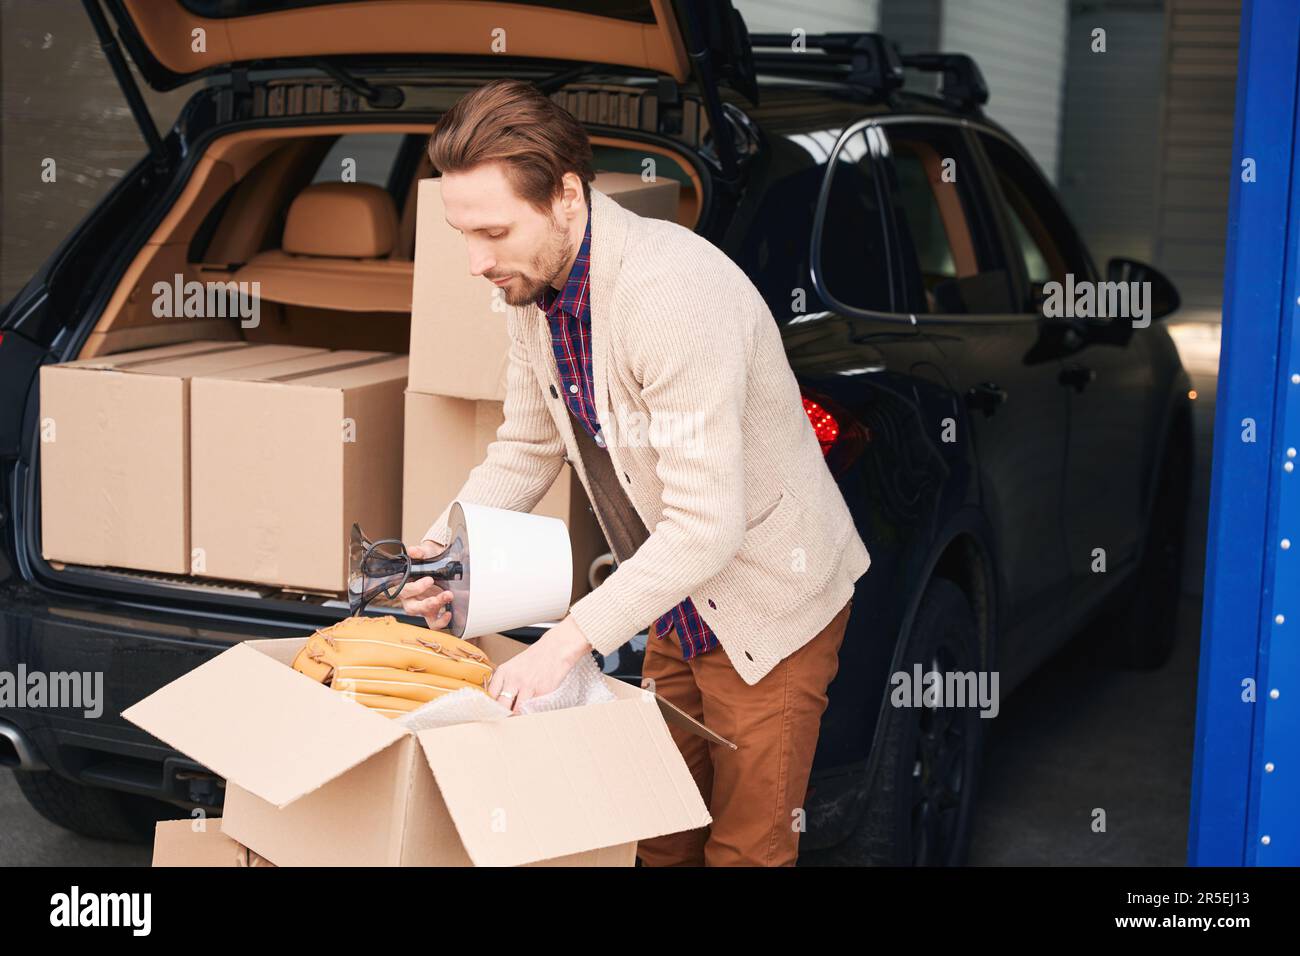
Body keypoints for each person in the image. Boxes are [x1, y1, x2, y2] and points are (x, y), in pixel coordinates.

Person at [401, 78, 870, 866]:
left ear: (567, 197)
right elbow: (525, 445)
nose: (476, 263)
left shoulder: (670, 297)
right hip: (676, 601)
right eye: (462, 234)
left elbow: (705, 525)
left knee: (745, 852)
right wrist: (442, 554)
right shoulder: (534, 291)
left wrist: (567, 643)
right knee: (650, 833)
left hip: (768, 612)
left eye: (493, 231)